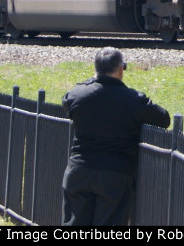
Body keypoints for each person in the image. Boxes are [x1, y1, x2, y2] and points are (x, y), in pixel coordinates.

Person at [61, 46, 170, 226]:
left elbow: (67, 103)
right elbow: (163, 118)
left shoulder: (77, 94)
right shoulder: (132, 99)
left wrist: (91, 82)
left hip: (79, 170)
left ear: (95, 69)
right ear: (121, 70)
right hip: (115, 174)